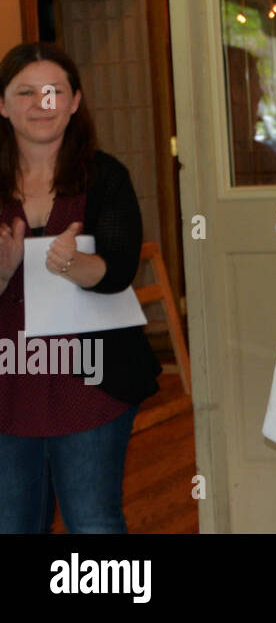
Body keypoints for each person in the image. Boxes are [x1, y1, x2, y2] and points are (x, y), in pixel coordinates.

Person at [0, 42, 160, 533]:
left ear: (75, 101)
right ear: (2, 105)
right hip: (8, 383)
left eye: (54, 91)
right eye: (25, 92)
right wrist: (5, 273)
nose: (41, 103)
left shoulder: (105, 175)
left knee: (93, 521)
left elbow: (118, 272)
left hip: (91, 378)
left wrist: (71, 263)